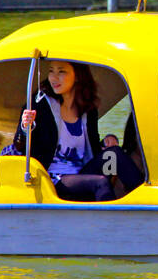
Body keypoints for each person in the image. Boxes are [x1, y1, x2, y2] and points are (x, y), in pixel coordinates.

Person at [9, 60, 142, 201]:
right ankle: (108, 223)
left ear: (77, 75)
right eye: (51, 71)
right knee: (100, 182)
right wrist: (25, 127)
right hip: (54, 178)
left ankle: (146, 201)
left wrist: (107, 141)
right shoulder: (39, 104)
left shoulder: (87, 109)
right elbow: (20, 146)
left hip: (82, 172)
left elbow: (92, 148)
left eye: (61, 72)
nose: (54, 78)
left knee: (115, 154)